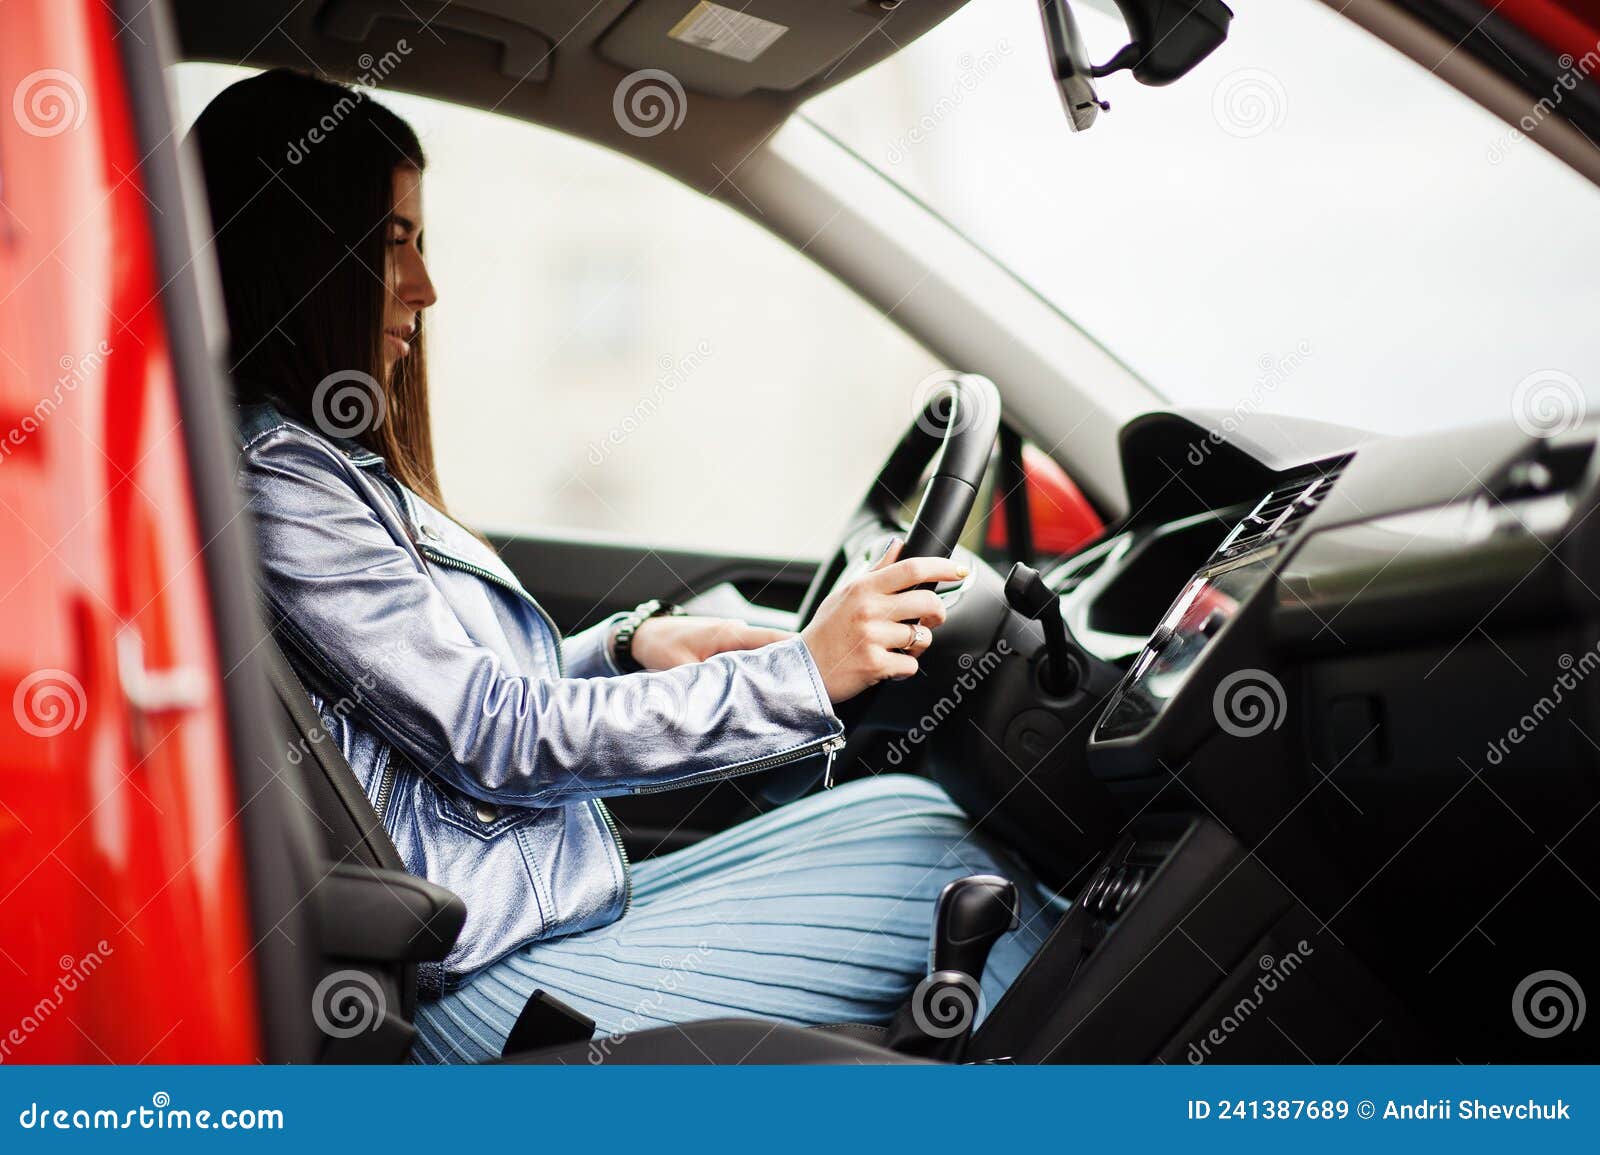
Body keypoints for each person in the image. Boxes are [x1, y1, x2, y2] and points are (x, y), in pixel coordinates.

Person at [192, 68, 1051, 1063]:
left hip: (520, 921)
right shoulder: (277, 479)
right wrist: (803, 673)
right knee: (939, 860)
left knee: (908, 813)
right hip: (480, 980)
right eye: (394, 243)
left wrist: (626, 650)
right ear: (300, 254)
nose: (425, 287)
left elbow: (430, 711)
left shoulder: (314, 464)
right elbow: (491, 736)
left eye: (421, 243)